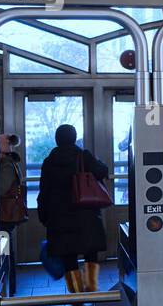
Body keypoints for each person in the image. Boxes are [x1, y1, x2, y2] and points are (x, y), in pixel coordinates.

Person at [37, 124, 109, 295]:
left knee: (68, 256)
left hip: (59, 217)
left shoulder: (49, 161)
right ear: (74, 138)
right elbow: (102, 171)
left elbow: (44, 191)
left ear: (57, 139)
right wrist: (98, 162)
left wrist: (44, 216)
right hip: (86, 214)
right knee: (91, 252)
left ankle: (76, 295)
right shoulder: (83, 156)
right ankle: (91, 288)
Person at [0, 133, 26, 295]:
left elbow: (1, 189)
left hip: (4, 216)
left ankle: (7, 288)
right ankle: (8, 287)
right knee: (4, 251)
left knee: (3, 252)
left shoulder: (6, 165)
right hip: (5, 216)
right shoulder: (8, 163)